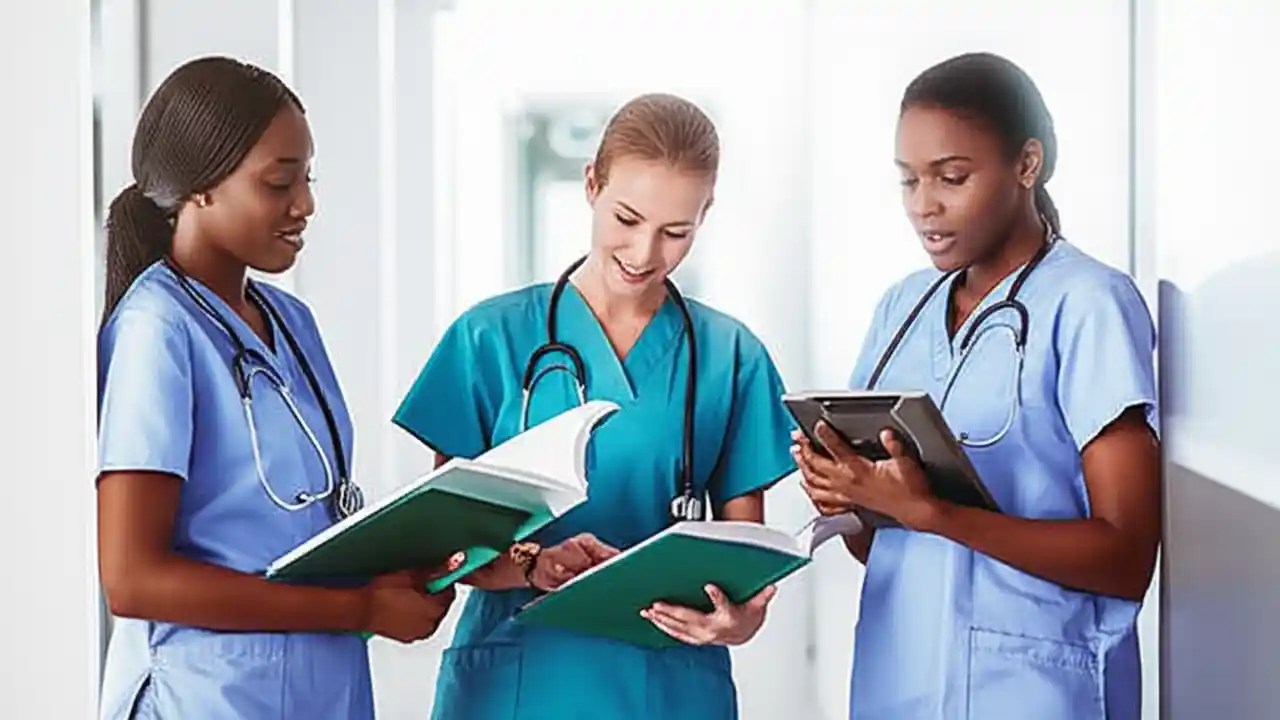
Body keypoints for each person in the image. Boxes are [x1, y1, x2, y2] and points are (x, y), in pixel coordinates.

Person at [393, 93, 797, 719]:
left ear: (705, 215)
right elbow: (443, 552)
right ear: (591, 184)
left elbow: (743, 559)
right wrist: (534, 563)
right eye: (627, 219)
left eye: (676, 232)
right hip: (519, 684)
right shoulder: (490, 340)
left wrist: (737, 623)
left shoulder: (730, 357)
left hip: (671, 689)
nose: (644, 253)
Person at [792, 52, 1161, 719]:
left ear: (1027, 165)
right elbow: (883, 542)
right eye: (908, 181)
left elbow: (1127, 555)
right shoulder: (902, 308)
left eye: (952, 177)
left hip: (1036, 689)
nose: (924, 206)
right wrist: (851, 495)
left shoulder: (1088, 304)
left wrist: (937, 513)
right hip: (899, 682)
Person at [95, 56, 459, 720]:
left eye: (307, 178)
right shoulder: (157, 329)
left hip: (321, 689)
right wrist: (359, 608)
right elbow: (132, 579)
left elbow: (299, 518)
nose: (306, 204)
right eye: (279, 182)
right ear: (198, 189)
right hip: (206, 697)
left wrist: (407, 563)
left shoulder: (290, 322)